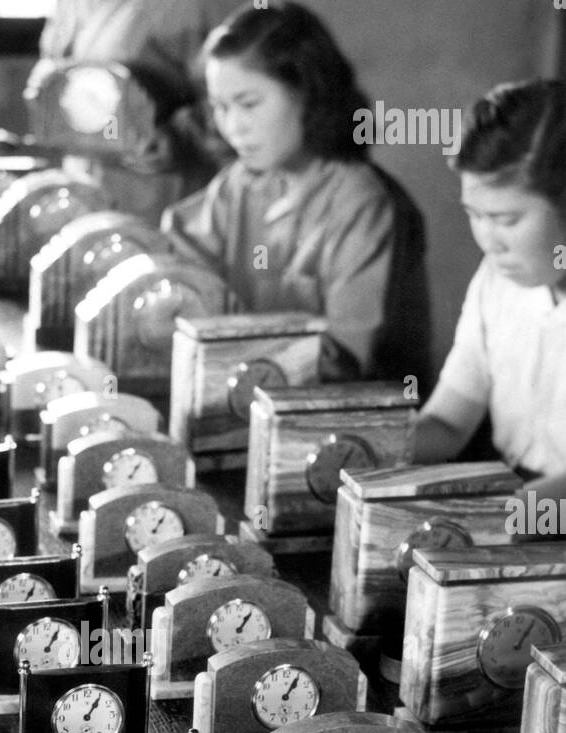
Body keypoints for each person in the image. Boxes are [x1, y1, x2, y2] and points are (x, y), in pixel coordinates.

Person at [162, 2, 432, 385]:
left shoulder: (360, 203)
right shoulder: (240, 185)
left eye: (249, 104)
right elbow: (183, 265)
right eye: (220, 107)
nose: (233, 127)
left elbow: (343, 361)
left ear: (307, 92)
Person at [415, 80, 566, 486]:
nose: (488, 240)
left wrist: (509, 515)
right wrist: (360, 444)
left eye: (507, 220)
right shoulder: (496, 281)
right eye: (475, 215)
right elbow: (447, 423)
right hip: (516, 503)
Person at [31, 0, 240, 219]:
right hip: (85, 180)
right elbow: (54, 59)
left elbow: (245, 87)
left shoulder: (196, 8)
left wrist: (180, 135)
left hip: (164, 192)